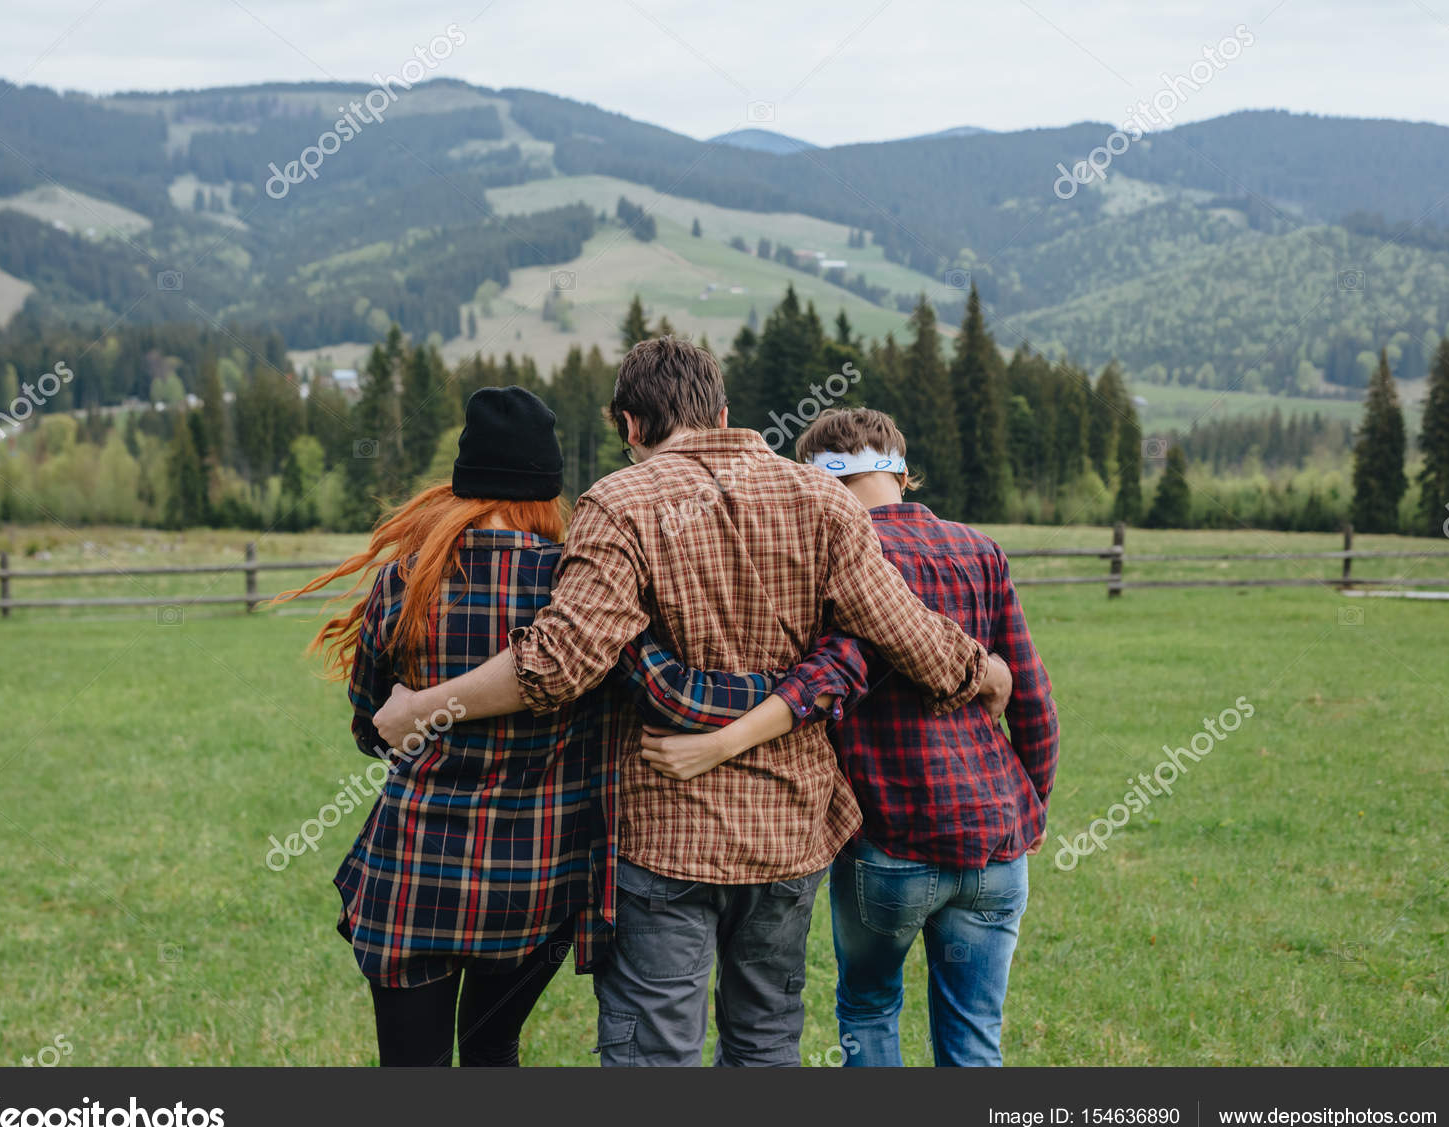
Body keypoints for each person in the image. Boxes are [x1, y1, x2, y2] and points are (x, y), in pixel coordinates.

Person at [374, 339, 1013, 1067]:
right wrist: (982, 671)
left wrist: (420, 706)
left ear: (629, 426)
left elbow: (557, 664)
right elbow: (899, 629)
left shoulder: (618, 502)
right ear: (722, 411)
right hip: (787, 833)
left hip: (666, 832)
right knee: (766, 1037)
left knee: (656, 1051)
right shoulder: (822, 498)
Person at [274, 386, 780, 1067]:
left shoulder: (405, 582)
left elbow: (372, 725)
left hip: (413, 875)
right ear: (547, 490)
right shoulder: (580, 587)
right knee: (492, 1051)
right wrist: (784, 688)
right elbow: (670, 692)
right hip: (536, 883)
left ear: (464, 480)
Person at [641, 407, 1059, 1066]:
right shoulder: (982, 550)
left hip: (891, 842)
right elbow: (1032, 699)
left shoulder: (847, 552)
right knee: (976, 1033)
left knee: (868, 1007)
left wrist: (724, 737)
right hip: (996, 843)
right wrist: (1029, 810)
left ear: (820, 481)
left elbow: (834, 675)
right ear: (901, 470)